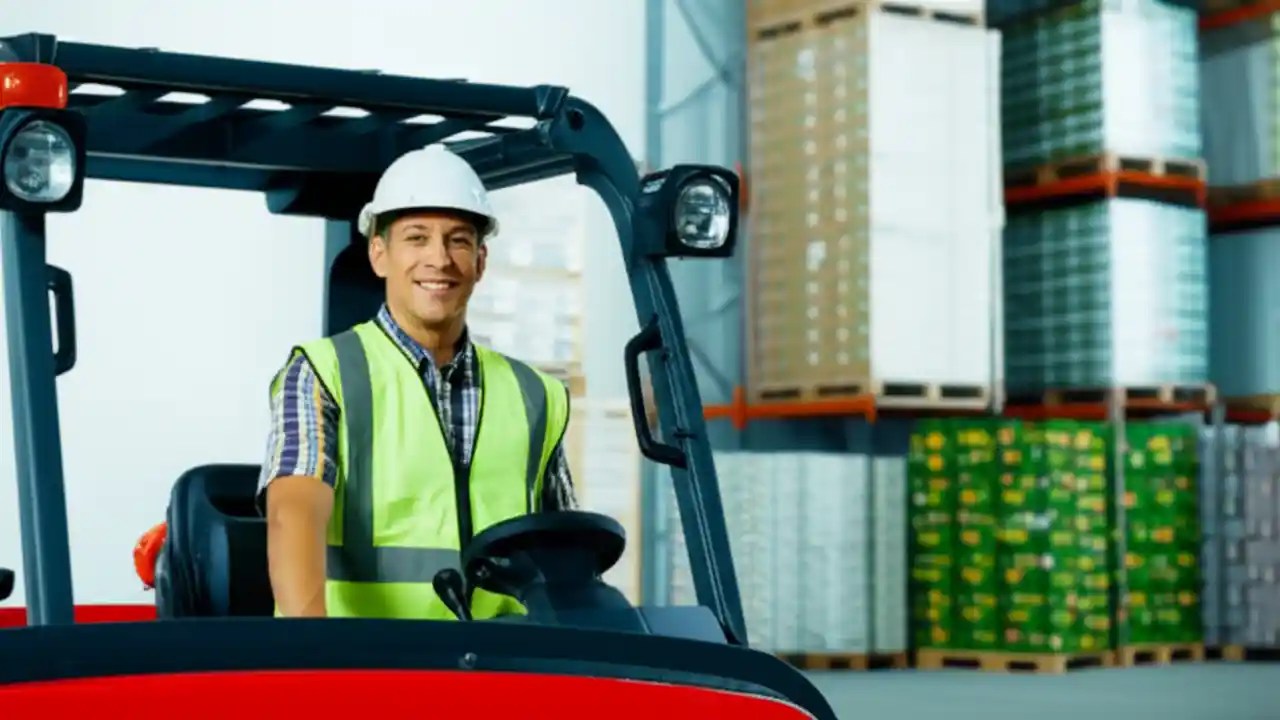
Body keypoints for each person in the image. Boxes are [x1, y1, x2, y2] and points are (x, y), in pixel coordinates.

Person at [258, 144, 576, 620]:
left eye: (459, 241)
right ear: (379, 254)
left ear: (481, 262)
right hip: (367, 671)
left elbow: (566, 552)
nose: (440, 259)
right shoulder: (324, 373)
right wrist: (312, 658)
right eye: (417, 238)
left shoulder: (535, 395)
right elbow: (294, 513)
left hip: (505, 672)